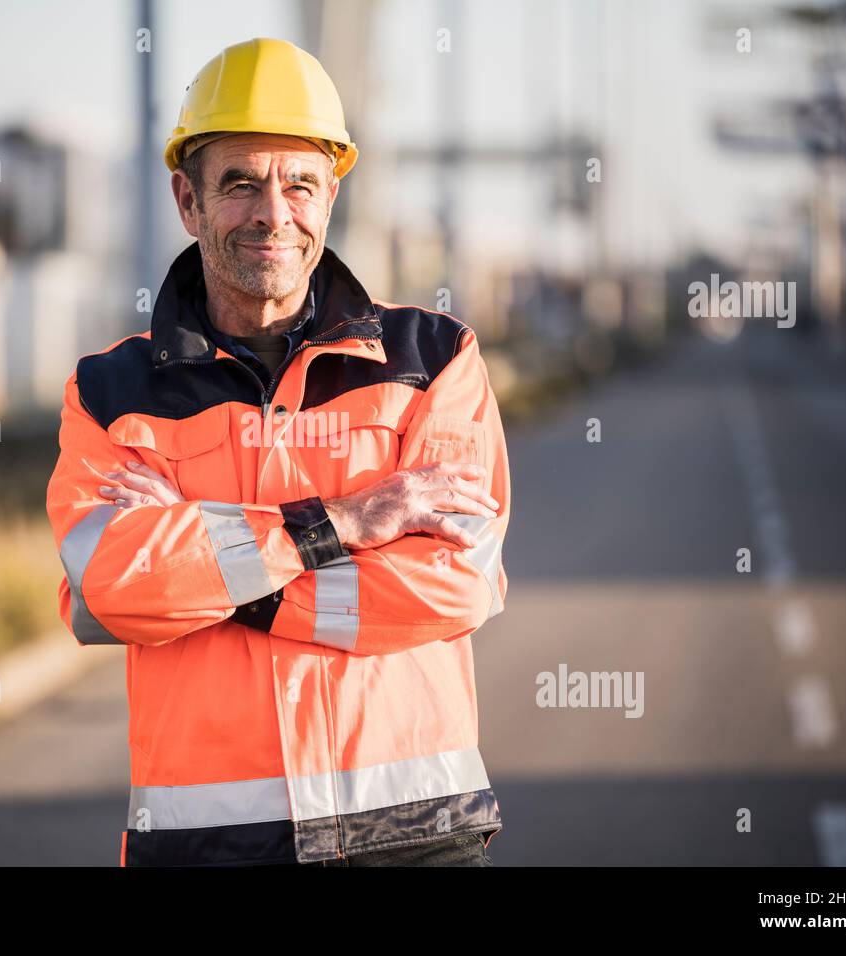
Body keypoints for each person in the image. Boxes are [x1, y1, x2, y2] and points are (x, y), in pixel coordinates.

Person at [45, 37, 511, 867]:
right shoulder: (112, 394)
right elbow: (109, 589)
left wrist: (218, 581)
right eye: (240, 184)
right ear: (187, 200)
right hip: (208, 844)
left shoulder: (434, 360)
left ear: (330, 198)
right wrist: (346, 521)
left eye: (300, 183)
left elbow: (458, 583)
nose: (273, 212)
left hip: (412, 835)